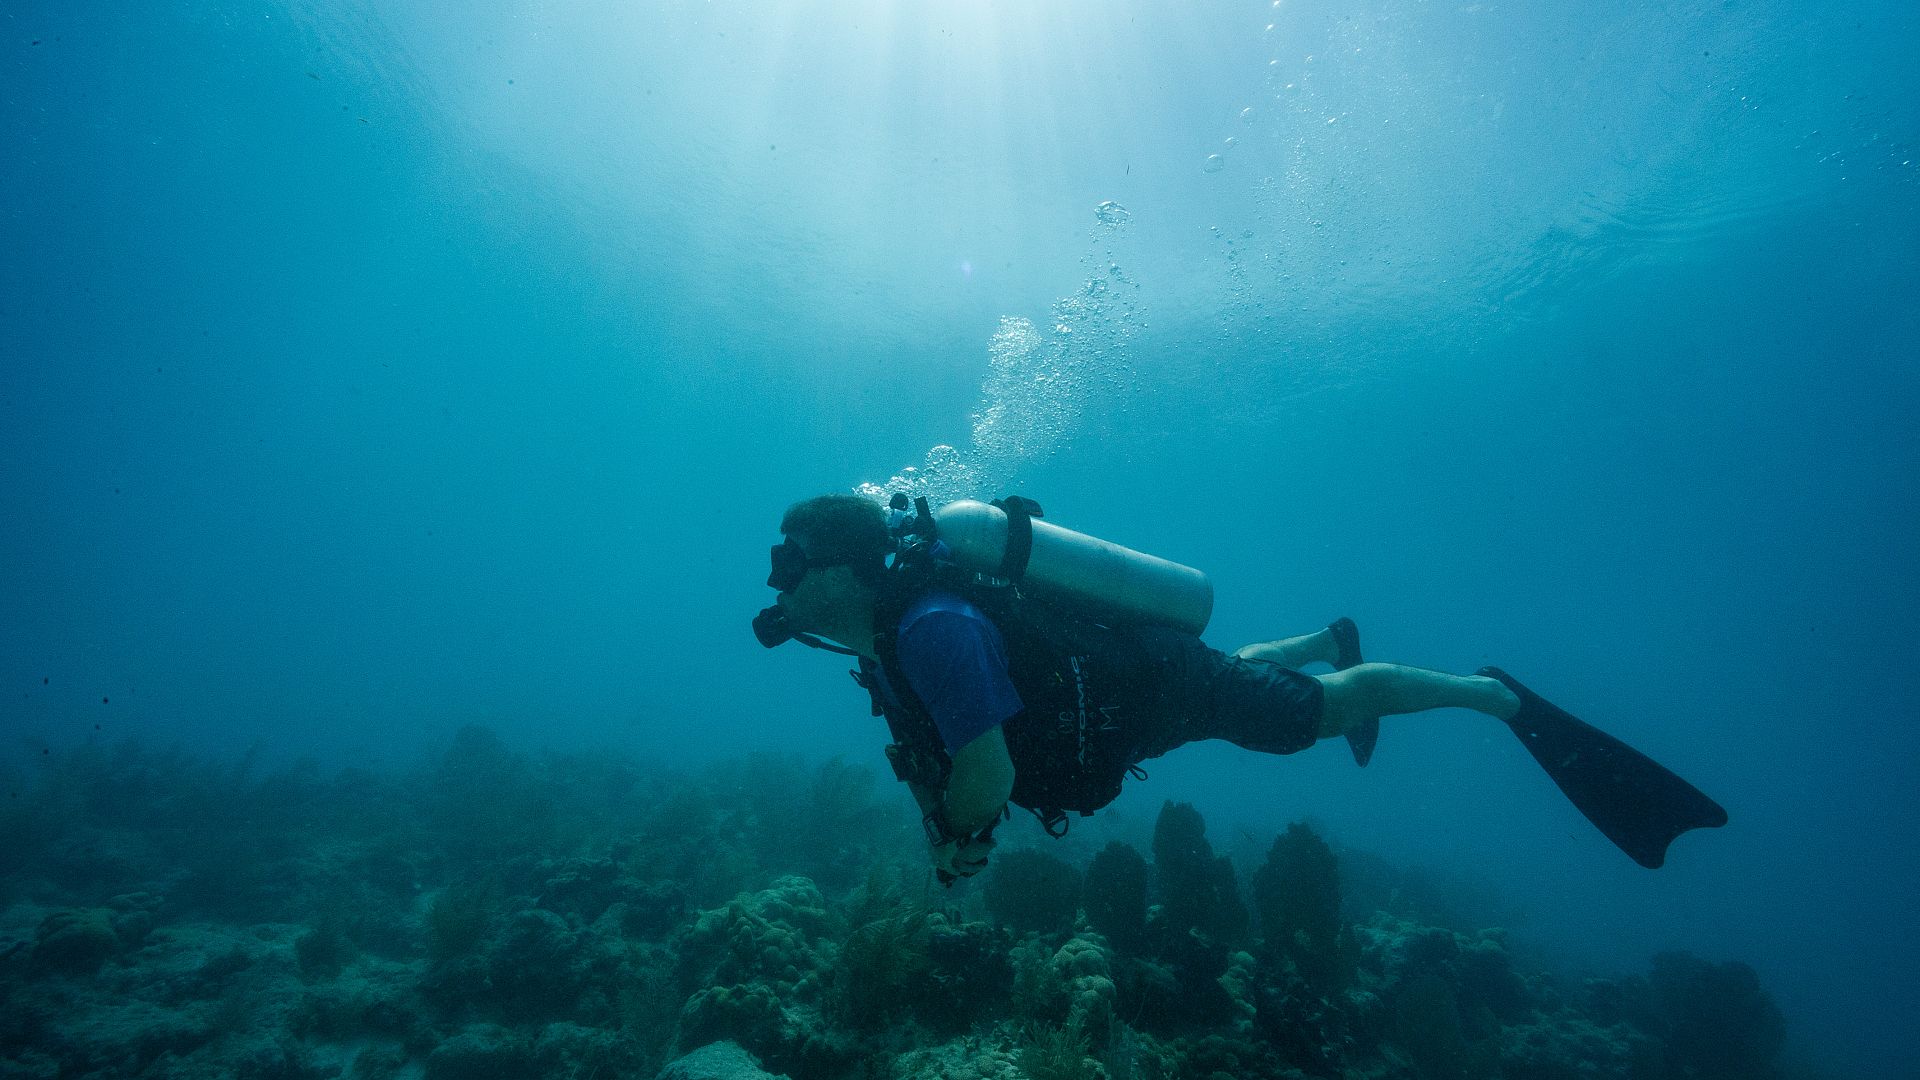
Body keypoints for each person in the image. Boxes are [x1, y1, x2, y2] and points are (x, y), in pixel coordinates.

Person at [753, 493, 1725, 882]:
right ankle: (1321, 636)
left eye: (791, 563)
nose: (779, 584)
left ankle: (1491, 694)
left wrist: (959, 838)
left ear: (844, 567)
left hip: (1143, 687)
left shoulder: (929, 629)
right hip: (1126, 711)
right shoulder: (884, 643)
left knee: (1318, 713)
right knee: (1221, 683)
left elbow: (987, 770)